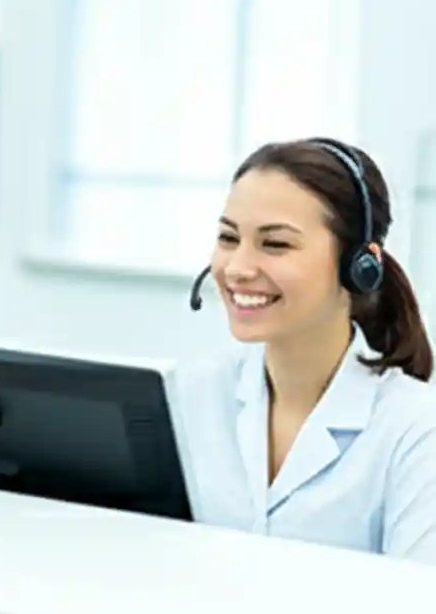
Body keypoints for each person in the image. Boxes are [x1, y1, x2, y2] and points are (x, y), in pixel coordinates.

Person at [176, 137, 436, 563]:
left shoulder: (415, 433)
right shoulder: (189, 393)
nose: (238, 268)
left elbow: (418, 613)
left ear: (360, 266)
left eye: (275, 244)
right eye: (228, 238)